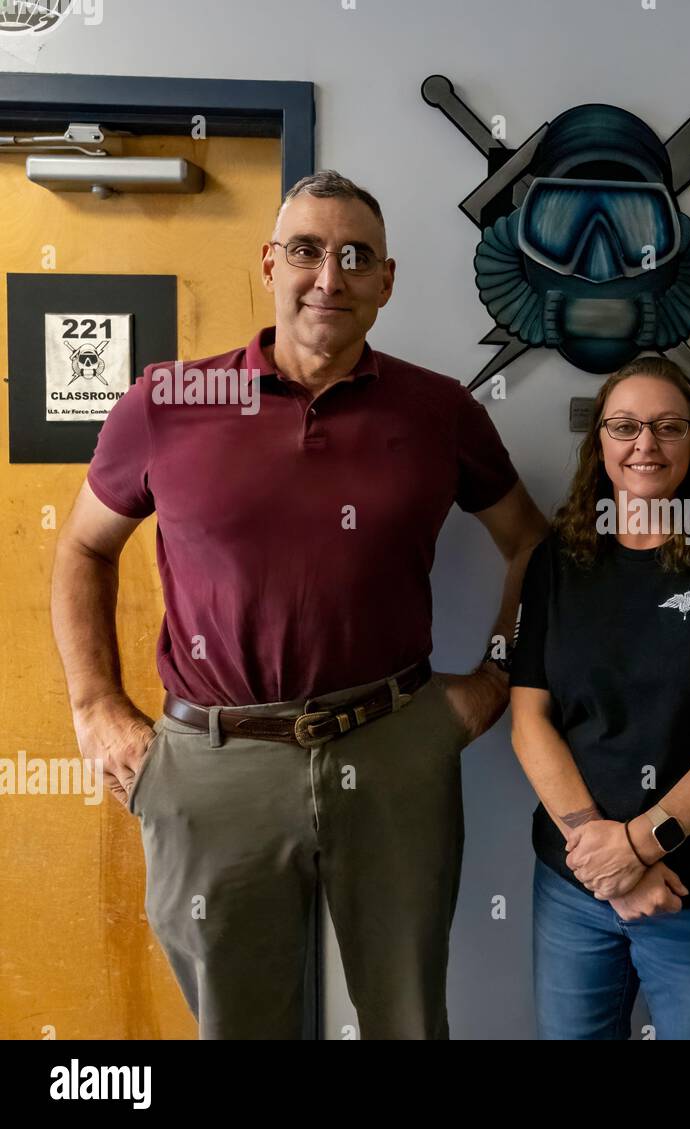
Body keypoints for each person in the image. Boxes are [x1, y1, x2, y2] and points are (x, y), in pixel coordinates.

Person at [50, 170, 549, 1039]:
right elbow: (84, 546)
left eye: (356, 257)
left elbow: (531, 544)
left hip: (394, 746)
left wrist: (495, 679)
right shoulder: (169, 402)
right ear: (270, 263)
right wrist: (95, 708)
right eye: (309, 252)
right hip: (215, 764)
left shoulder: (439, 410)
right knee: (237, 1024)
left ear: (386, 281)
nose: (331, 277)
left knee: (407, 1019)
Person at [510, 356, 690, 1040]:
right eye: (626, 426)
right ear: (599, 444)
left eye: (670, 426)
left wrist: (641, 842)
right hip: (576, 885)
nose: (647, 444)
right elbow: (529, 719)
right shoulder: (558, 562)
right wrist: (602, 856)